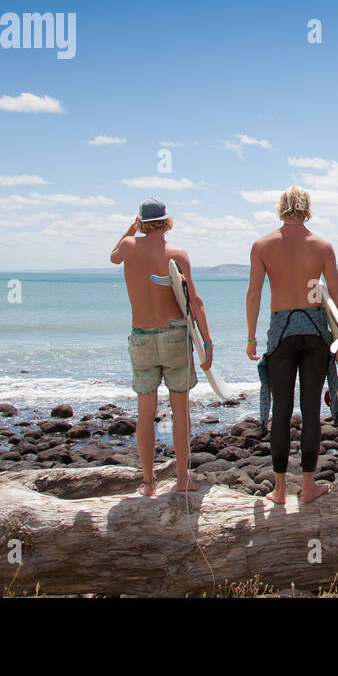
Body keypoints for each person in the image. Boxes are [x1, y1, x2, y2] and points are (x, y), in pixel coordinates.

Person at [246, 186, 338, 504]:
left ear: (281, 208)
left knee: (282, 410)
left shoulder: (262, 245)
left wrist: (251, 337)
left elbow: (254, 294)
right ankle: (307, 487)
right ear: (307, 208)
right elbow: (337, 295)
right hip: (316, 333)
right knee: (312, 410)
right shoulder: (322, 245)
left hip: (281, 334)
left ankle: (277, 489)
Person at [110, 197, 213, 496]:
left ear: (141, 221)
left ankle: (148, 483)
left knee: (145, 412)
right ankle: (182, 481)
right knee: (180, 412)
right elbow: (194, 301)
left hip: (141, 336)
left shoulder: (129, 248)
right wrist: (207, 342)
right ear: (167, 221)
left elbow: (113, 257)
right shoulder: (177, 254)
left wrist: (131, 229)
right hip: (174, 337)